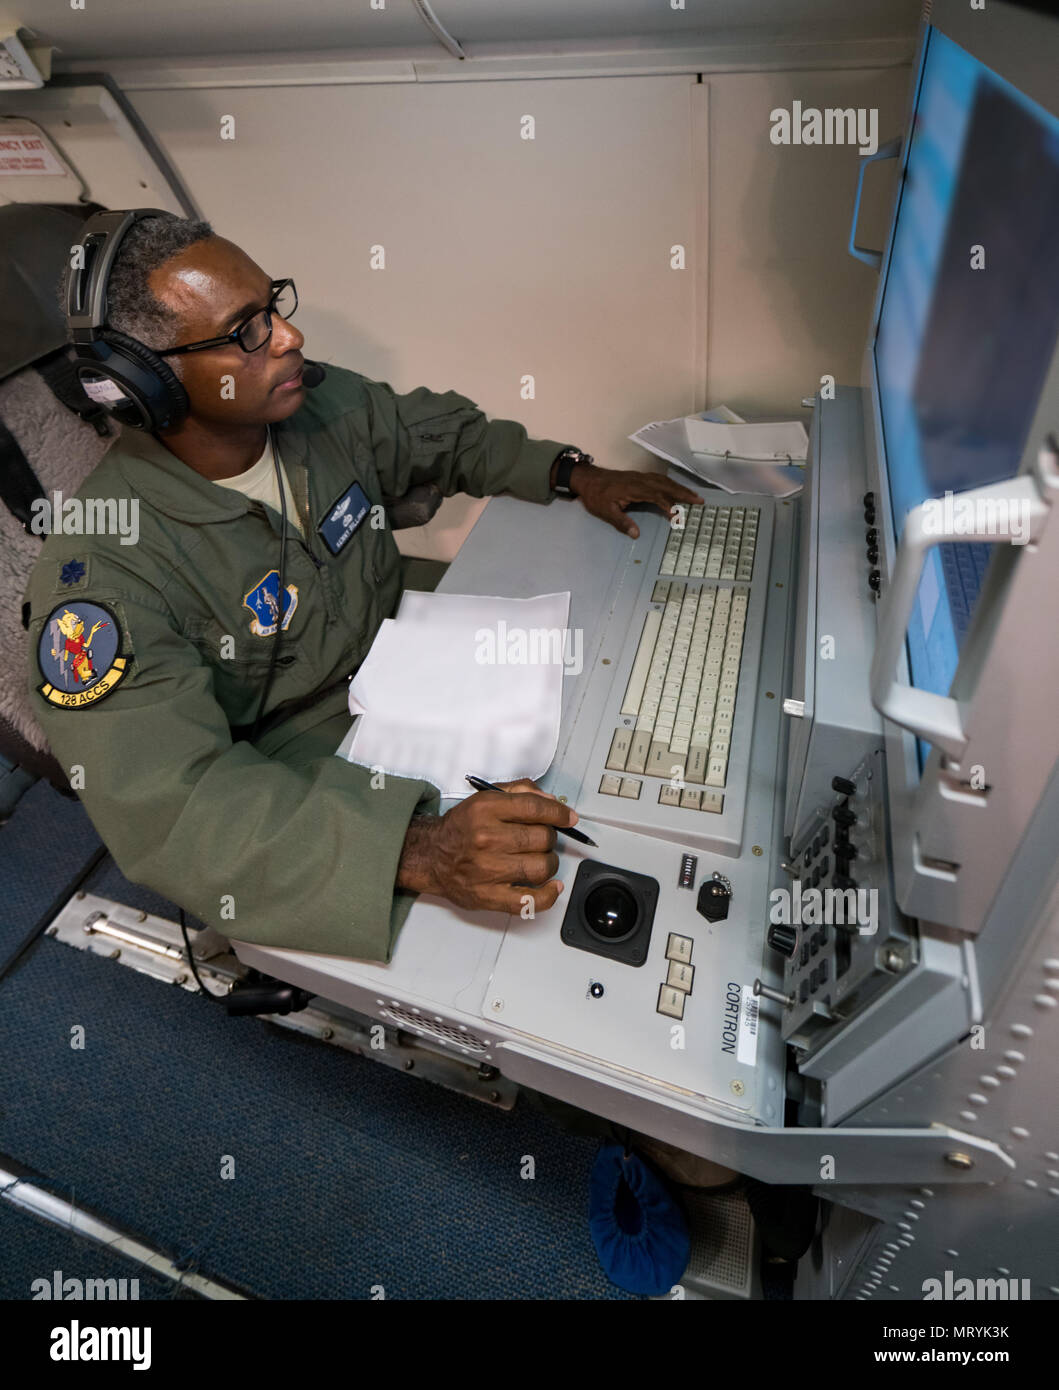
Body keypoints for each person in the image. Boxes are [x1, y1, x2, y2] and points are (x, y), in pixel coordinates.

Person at [24, 211, 700, 961]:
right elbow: (175, 810)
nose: (288, 338)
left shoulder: (314, 403)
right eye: (245, 330)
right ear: (145, 383)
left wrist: (572, 470)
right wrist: (420, 852)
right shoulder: (101, 581)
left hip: (418, 648)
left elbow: (443, 435)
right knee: (534, 933)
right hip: (299, 764)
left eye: (273, 305)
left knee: (630, 722)